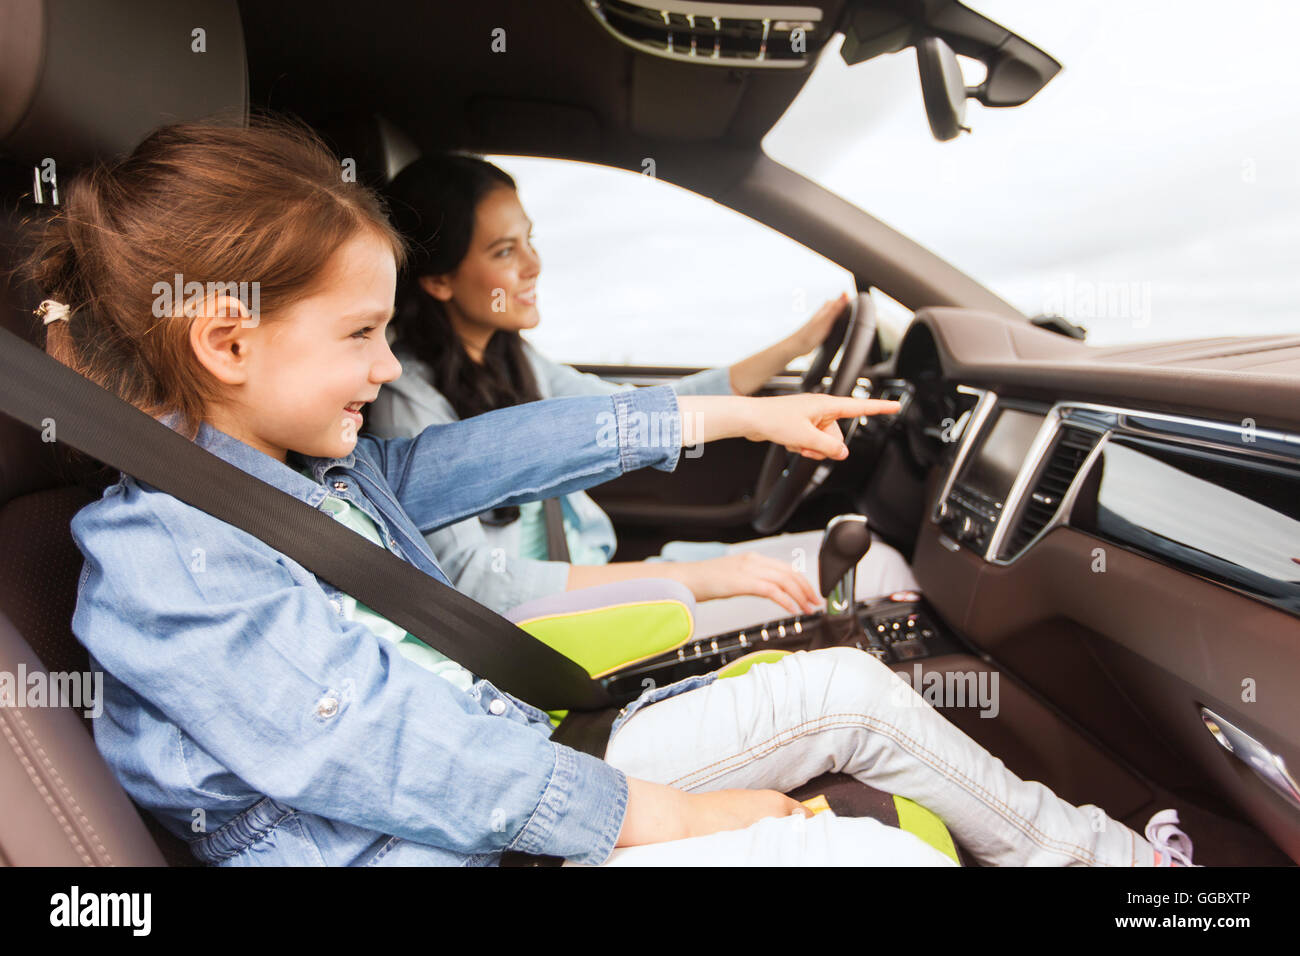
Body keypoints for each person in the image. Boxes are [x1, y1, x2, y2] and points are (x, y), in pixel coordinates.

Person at [34, 114, 1195, 867]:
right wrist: (671, 815)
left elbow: (530, 444)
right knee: (864, 853)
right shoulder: (170, 555)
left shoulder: (322, 476)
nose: (387, 370)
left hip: (504, 774)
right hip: (434, 841)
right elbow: (383, 754)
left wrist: (735, 411)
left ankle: (1120, 866)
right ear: (229, 347)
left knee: (844, 686)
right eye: (359, 335)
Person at [366, 153, 920, 633]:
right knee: (878, 574)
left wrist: (794, 348)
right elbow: (472, 582)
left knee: (870, 567)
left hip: (594, 585)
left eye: (529, 240)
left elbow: (634, 414)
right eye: (505, 251)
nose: (535, 264)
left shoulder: (510, 358)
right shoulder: (407, 397)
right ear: (438, 279)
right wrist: (690, 579)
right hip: (546, 629)